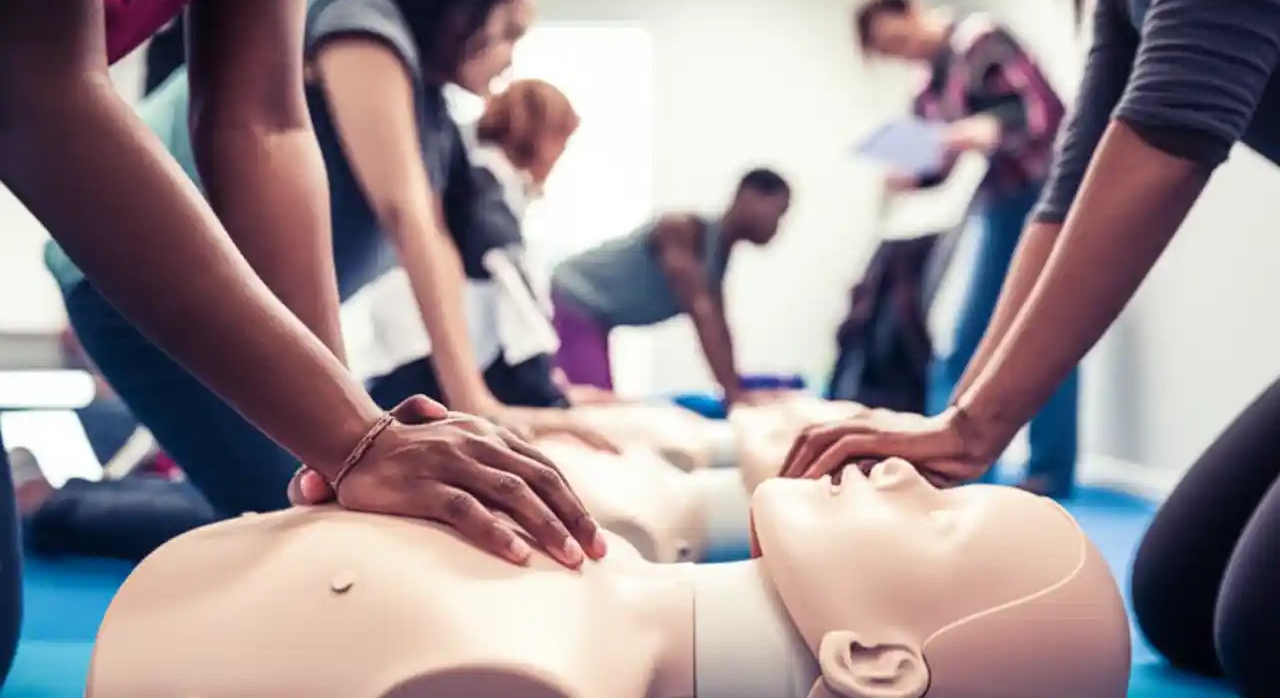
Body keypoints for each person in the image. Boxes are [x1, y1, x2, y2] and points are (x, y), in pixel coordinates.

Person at [0, 0, 604, 572]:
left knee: (316, 502)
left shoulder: (434, 112)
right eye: (506, 30)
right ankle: (50, 504)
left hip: (216, 278)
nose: (508, 55)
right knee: (285, 510)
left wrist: (351, 441)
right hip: (127, 262)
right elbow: (35, 91)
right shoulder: (363, 21)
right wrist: (359, 435)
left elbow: (262, 124)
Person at [783, 0, 1280, 694]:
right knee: (1176, 605)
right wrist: (954, 426)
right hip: (1009, 194)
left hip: (1019, 180)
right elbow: (1068, 189)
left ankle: (1048, 462)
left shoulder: (980, 40)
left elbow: (1169, 133)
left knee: (1261, 637)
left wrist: (972, 427)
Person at [88, 459, 1130, 698]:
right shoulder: (602, 575)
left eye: (941, 518)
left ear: (872, 661)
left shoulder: (549, 668)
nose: (905, 471)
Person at [853, 0, 1074, 497]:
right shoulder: (928, 83)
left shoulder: (981, 40)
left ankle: (1049, 471)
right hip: (999, 197)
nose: (901, 52)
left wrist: (975, 131)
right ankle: (953, 465)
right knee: (969, 332)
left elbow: (1038, 115)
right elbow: (939, 161)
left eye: (897, 38)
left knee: (1050, 328)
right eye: (889, 52)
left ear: (912, 11)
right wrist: (909, 176)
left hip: (1049, 188)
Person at [354, 79, 600, 419]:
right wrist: (554, 402)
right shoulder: (488, 194)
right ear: (545, 139)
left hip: (408, 368)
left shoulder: (484, 182)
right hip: (419, 374)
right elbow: (522, 327)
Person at [550, 169, 791, 404]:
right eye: (777, 212)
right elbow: (702, 312)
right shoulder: (680, 229)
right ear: (746, 197)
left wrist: (736, 388)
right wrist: (733, 395)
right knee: (595, 408)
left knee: (599, 403)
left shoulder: (717, 257)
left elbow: (719, 326)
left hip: (595, 317)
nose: (778, 225)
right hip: (574, 299)